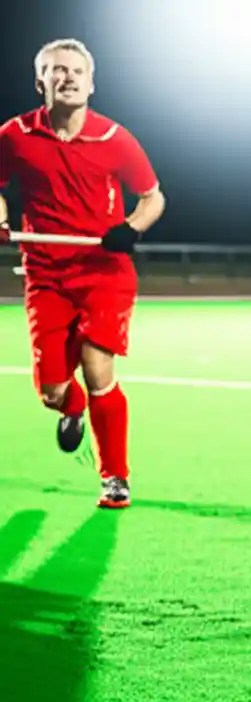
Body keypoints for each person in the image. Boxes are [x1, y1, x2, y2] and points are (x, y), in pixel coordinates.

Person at [0, 38, 166, 509]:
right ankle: (70, 410)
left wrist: (130, 229)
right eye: (56, 70)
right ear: (40, 82)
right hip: (45, 276)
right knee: (53, 390)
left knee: (98, 369)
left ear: (92, 83)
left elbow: (153, 197)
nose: (67, 77)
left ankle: (115, 477)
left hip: (104, 272)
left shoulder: (116, 139)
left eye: (76, 71)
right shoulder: (13, 136)